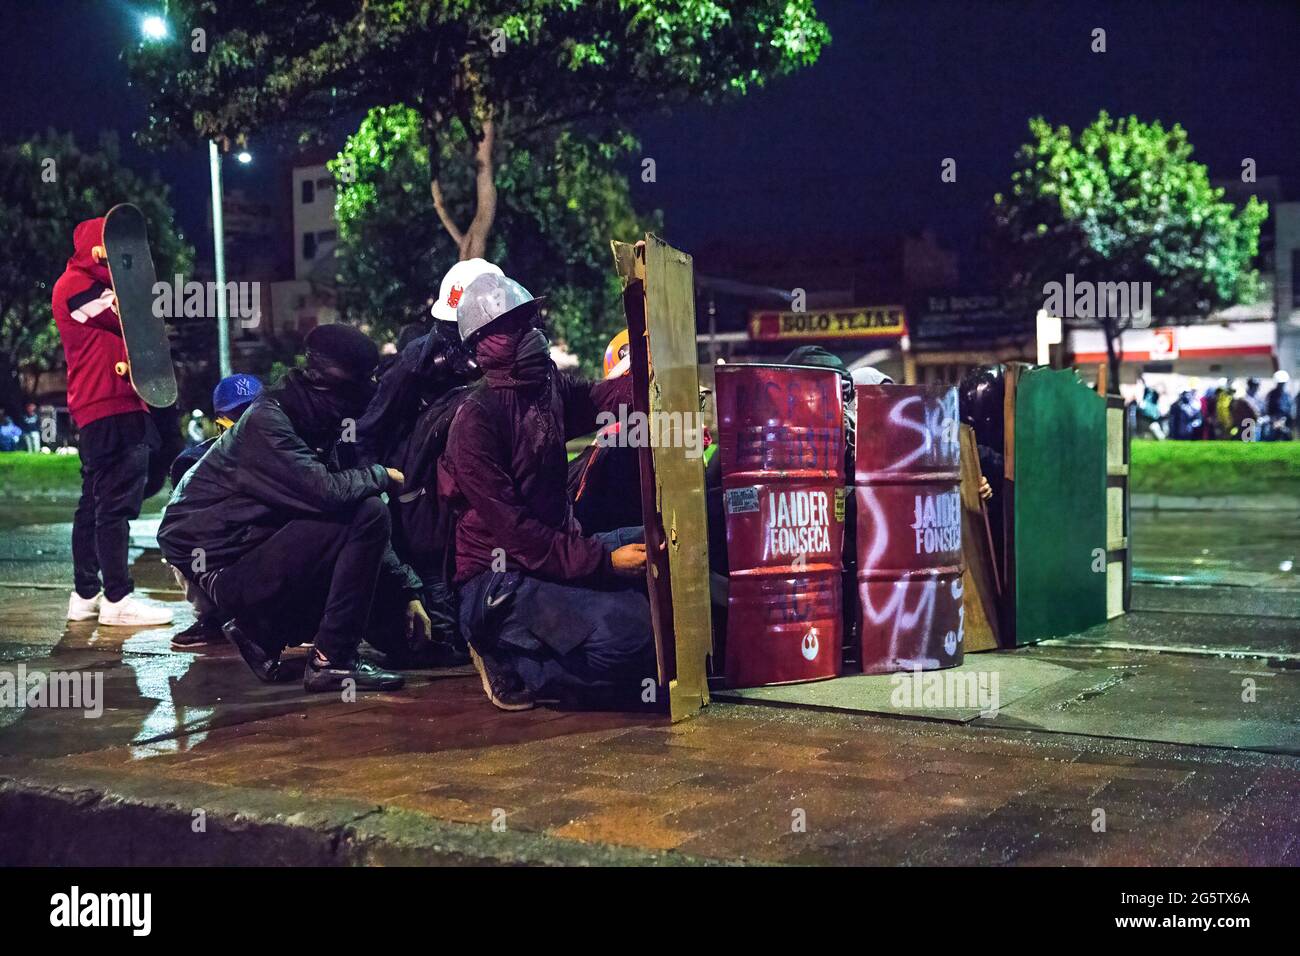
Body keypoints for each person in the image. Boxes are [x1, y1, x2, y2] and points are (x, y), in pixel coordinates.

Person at [158, 324, 431, 692]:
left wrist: (407, 592)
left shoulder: (314, 418)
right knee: (366, 512)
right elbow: (330, 494)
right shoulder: (268, 422)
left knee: (359, 520)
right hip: (219, 567)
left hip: (250, 553)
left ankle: (261, 631)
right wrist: (383, 475)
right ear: (326, 384)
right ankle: (330, 661)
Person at [438, 272, 654, 711]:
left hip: (555, 552)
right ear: (485, 343)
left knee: (661, 550)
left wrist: (652, 369)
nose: (533, 332)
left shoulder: (545, 388)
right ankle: (512, 659)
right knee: (632, 634)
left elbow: (600, 399)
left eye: (532, 320)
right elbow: (518, 535)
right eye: (516, 325)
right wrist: (604, 562)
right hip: (498, 579)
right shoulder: (475, 421)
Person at [52, 217, 172, 627]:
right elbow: (135, 319)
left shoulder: (85, 285)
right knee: (114, 507)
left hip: (108, 406)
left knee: (94, 504)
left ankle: (85, 593)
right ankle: (118, 599)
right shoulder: (73, 285)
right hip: (110, 406)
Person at [166, 373, 263, 649]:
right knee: (181, 540)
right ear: (220, 421)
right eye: (239, 414)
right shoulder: (193, 463)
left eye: (253, 412)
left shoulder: (286, 449)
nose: (247, 421)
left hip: (267, 561)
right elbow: (181, 532)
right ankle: (213, 619)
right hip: (222, 558)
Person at [1265, 371, 1294, 441]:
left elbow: (1289, 411)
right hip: (1273, 421)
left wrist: (1284, 421)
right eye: (1280, 383)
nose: (1281, 385)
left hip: (1285, 422)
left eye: (1282, 383)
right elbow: (1268, 410)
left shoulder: (1287, 395)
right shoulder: (1272, 394)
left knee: (1287, 436)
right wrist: (1275, 421)